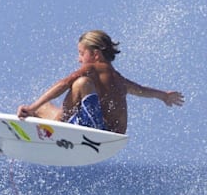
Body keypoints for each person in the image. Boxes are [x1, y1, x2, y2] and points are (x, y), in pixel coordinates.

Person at [17, 30, 184, 134]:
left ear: (96, 54)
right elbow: (141, 90)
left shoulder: (91, 70)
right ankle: (42, 119)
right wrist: (163, 95)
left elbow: (63, 84)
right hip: (114, 136)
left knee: (80, 83)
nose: (79, 59)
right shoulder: (118, 79)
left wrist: (31, 107)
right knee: (44, 107)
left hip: (97, 130)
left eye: (81, 53)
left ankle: (55, 128)